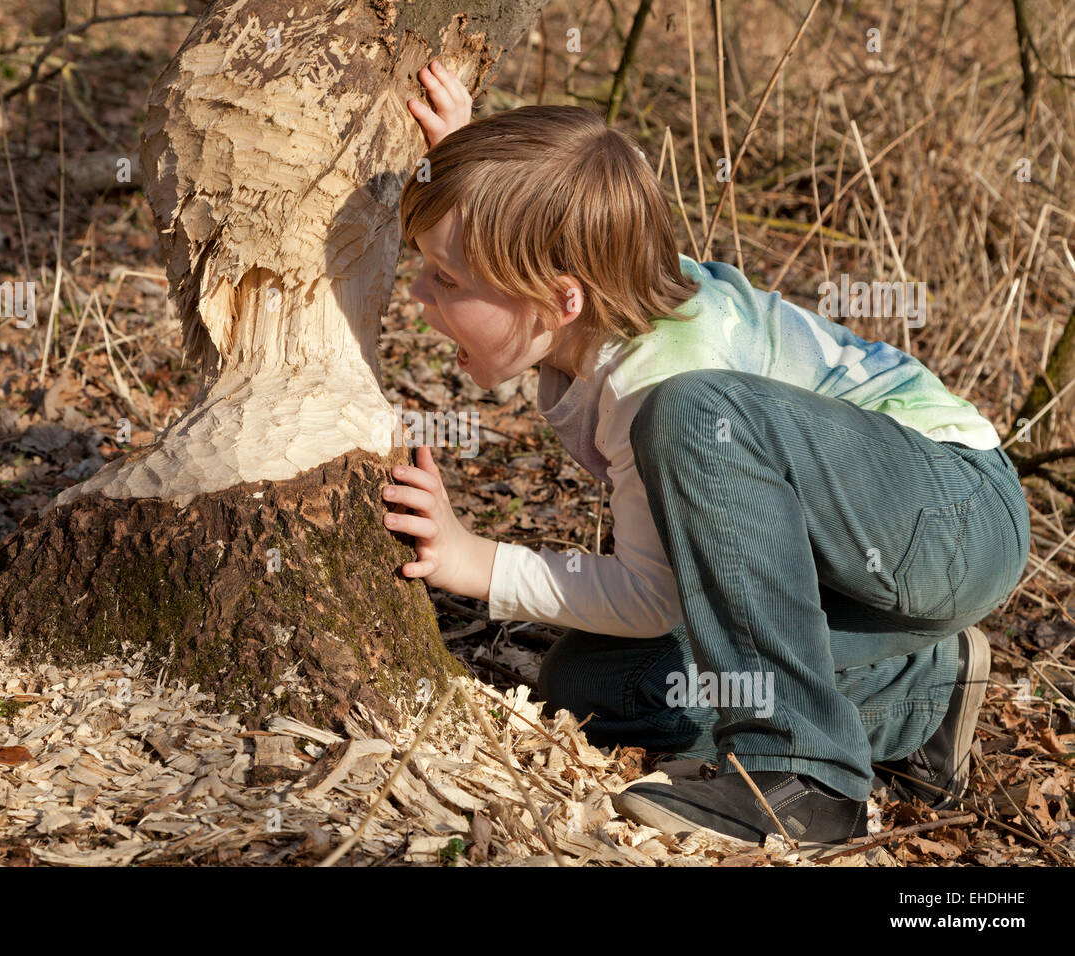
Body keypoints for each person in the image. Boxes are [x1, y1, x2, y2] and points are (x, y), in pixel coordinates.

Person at [386, 62, 1030, 857]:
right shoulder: (600, 297)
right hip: (863, 575)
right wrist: (467, 163)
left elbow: (652, 597)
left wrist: (475, 560)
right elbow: (568, 220)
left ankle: (805, 782)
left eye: (445, 277)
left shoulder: (666, 375)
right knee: (589, 687)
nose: (419, 294)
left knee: (692, 412)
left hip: (952, 511)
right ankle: (921, 693)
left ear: (561, 299)